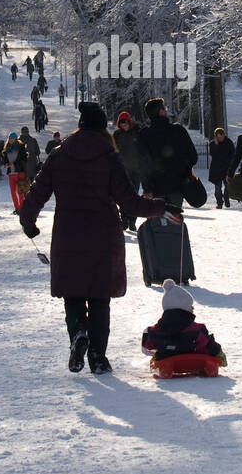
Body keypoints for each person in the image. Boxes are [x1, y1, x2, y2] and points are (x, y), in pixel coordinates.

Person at [19, 102, 176, 375]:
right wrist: (162, 207)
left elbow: (35, 195)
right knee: (100, 299)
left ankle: (79, 331)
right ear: (103, 128)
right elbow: (130, 203)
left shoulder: (59, 156)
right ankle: (98, 356)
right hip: (103, 238)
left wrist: (28, 222)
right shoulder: (109, 158)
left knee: (74, 295)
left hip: (68, 236)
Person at [142, 280, 227, 367]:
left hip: (166, 362)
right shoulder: (197, 330)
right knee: (206, 347)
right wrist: (219, 355)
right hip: (193, 363)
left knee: (160, 356)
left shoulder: (156, 331)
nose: (192, 308)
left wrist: (155, 352)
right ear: (185, 309)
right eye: (191, 306)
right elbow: (208, 344)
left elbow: (146, 346)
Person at [137, 97, 198, 208]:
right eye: (164, 108)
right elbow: (193, 157)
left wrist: (147, 188)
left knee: (158, 222)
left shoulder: (144, 135)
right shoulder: (178, 131)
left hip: (155, 188)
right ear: (161, 112)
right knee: (174, 220)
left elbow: (143, 165)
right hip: (177, 185)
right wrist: (183, 170)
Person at [112, 111, 145, 231]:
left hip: (136, 171)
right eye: (121, 124)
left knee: (134, 196)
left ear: (129, 122)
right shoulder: (117, 135)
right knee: (122, 196)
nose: (124, 126)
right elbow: (113, 151)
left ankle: (132, 220)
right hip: (122, 171)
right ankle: (124, 220)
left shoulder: (137, 133)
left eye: (125, 123)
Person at [208, 126, 236, 209]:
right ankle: (219, 203)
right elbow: (213, 154)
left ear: (224, 135)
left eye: (221, 136)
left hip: (227, 169)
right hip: (216, 169)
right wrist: (216, 145)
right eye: (218, 137)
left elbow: (233, 155)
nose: (220, 138)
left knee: (228, 187)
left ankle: (226, 199)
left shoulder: (229, 143)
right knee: (217, 188)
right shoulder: (213, 144)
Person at [3, 131, 28, 212]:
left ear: (16, 139)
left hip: (20, 172)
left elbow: (24, 159)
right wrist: (6, 164)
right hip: (11, 173)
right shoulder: (7, 149)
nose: (10, 140)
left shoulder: (21, 147)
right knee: (13, 193)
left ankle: (21, 208)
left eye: (12, 138)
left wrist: (13, 164)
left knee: (20, 192)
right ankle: (17, 208)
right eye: (9, 138)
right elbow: (5, 160)